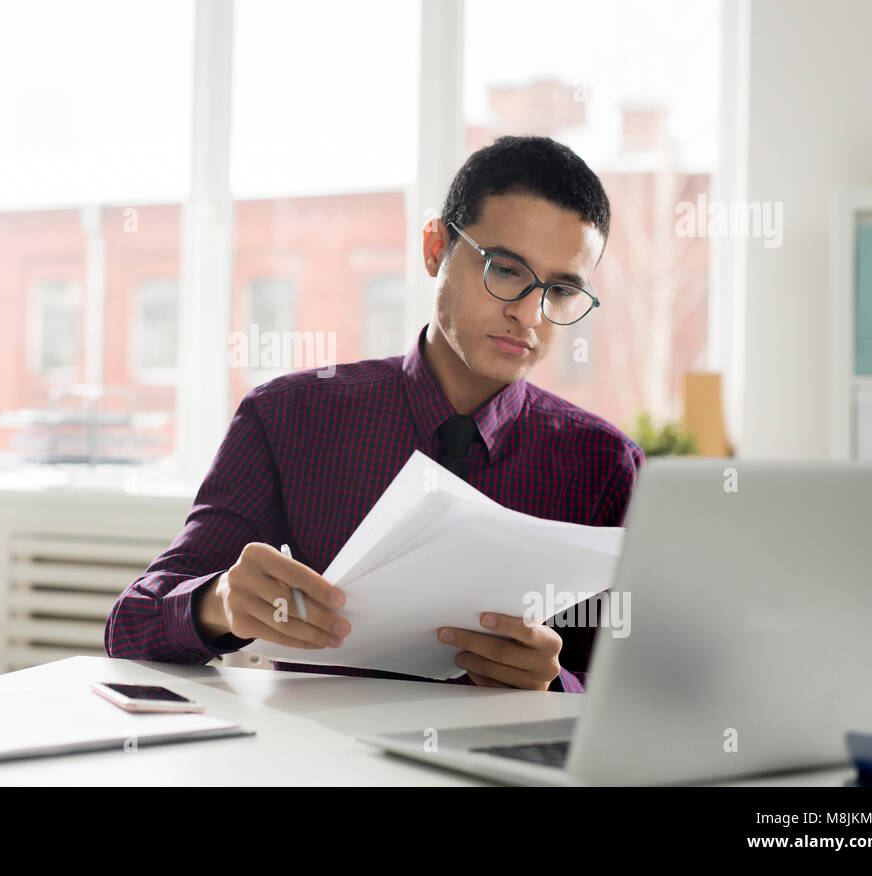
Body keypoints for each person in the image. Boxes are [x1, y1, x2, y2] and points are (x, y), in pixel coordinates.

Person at [105, 135, 645, 692]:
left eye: (559, 291)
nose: (529, 315)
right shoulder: (288, 416)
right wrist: (218, 603)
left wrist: (556, 685)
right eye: (506, 270)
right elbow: (129, 627)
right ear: (436, 247)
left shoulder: (606, 465)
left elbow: (643, 692)